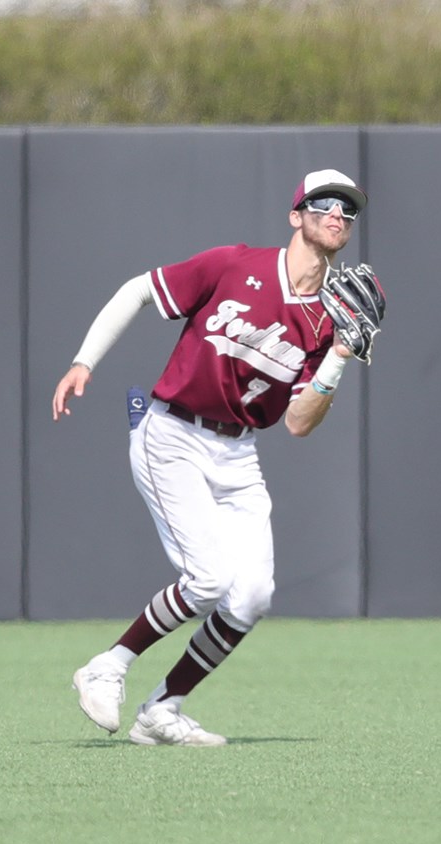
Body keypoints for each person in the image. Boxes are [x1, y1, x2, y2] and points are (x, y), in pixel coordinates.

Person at [50, 170, 370, 746]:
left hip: (238, 453)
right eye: (324, 204)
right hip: (171, 434)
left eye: (348, 211)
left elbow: (298, 424)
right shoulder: (236, 265)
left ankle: (161, 710)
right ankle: (108, 666)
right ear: (296, 215)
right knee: (208, 578)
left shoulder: (329, 319)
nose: (337, 216)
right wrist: (84, 360)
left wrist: (340, 356)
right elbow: (138, 290)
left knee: (252, 595)